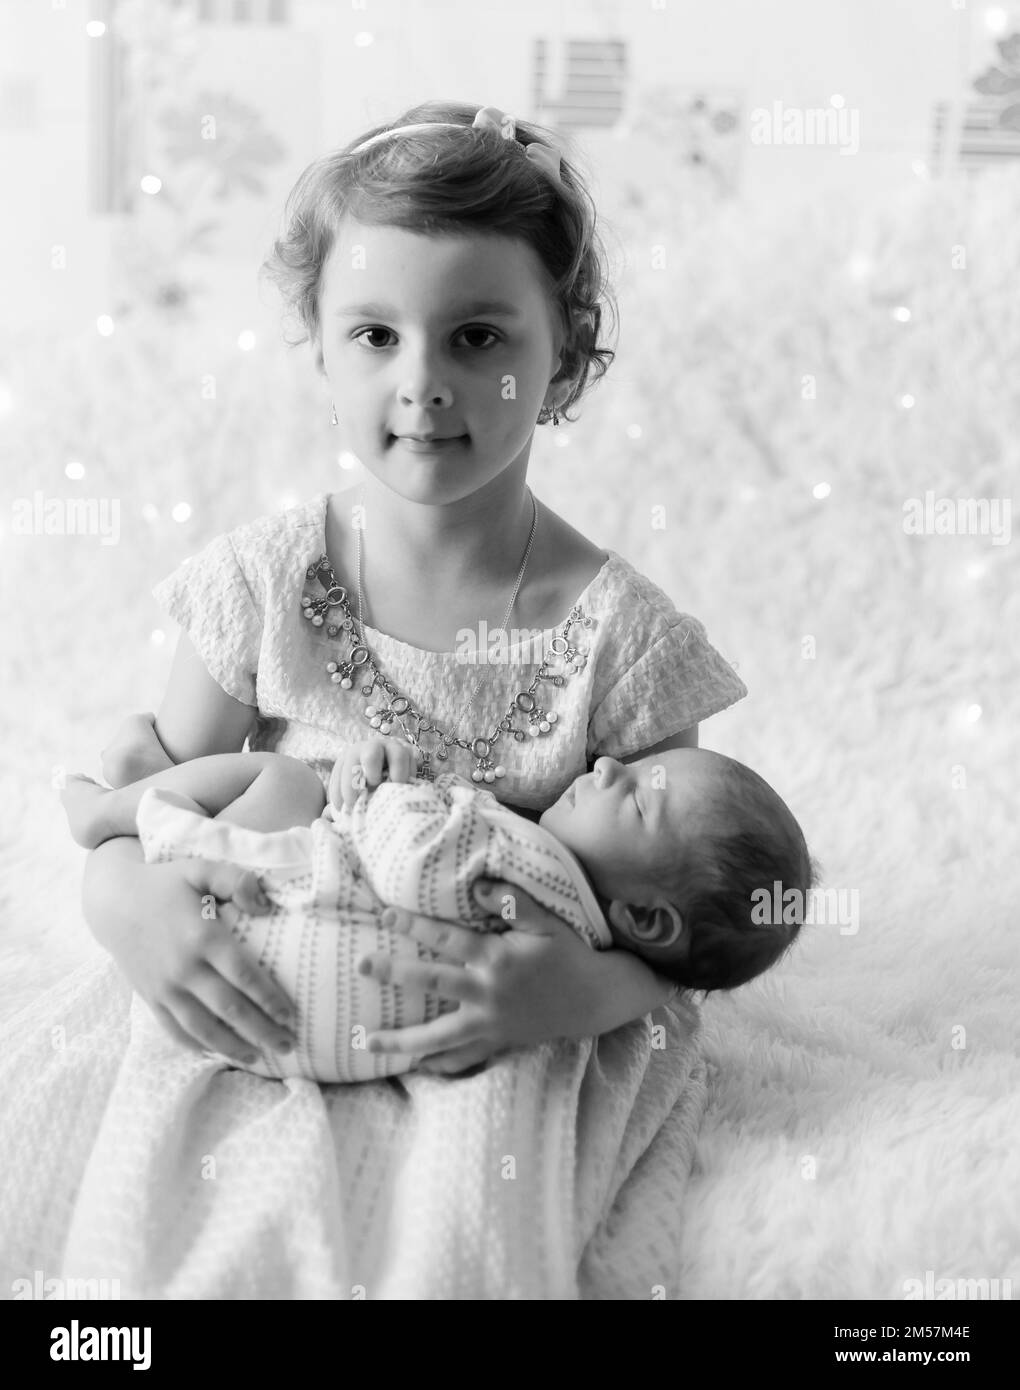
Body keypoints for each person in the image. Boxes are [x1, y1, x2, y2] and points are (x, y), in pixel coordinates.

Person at [0, 101, 752, 1298]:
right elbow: (144, 816)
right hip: (259, 991)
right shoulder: (263, 585)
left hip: (471, 1036)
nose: (423, 382)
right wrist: (123, 909)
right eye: (373, 335)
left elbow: (679, 925)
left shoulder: (626, 646)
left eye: (477, 337)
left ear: (566, 349)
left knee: (455, 1238)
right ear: (318, 346)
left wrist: (577, 989)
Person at [59, 737, 810, 1080]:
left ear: (647, 920)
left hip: (261, 948)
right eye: (640, 767)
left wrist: (386, 792)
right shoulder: (575, 941)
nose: (612, 764)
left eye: (642, 800)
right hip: (277, 1030)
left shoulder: (537, 870)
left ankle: (122, 809)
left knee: (288, 783)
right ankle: (151, 792)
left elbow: (412, 866)